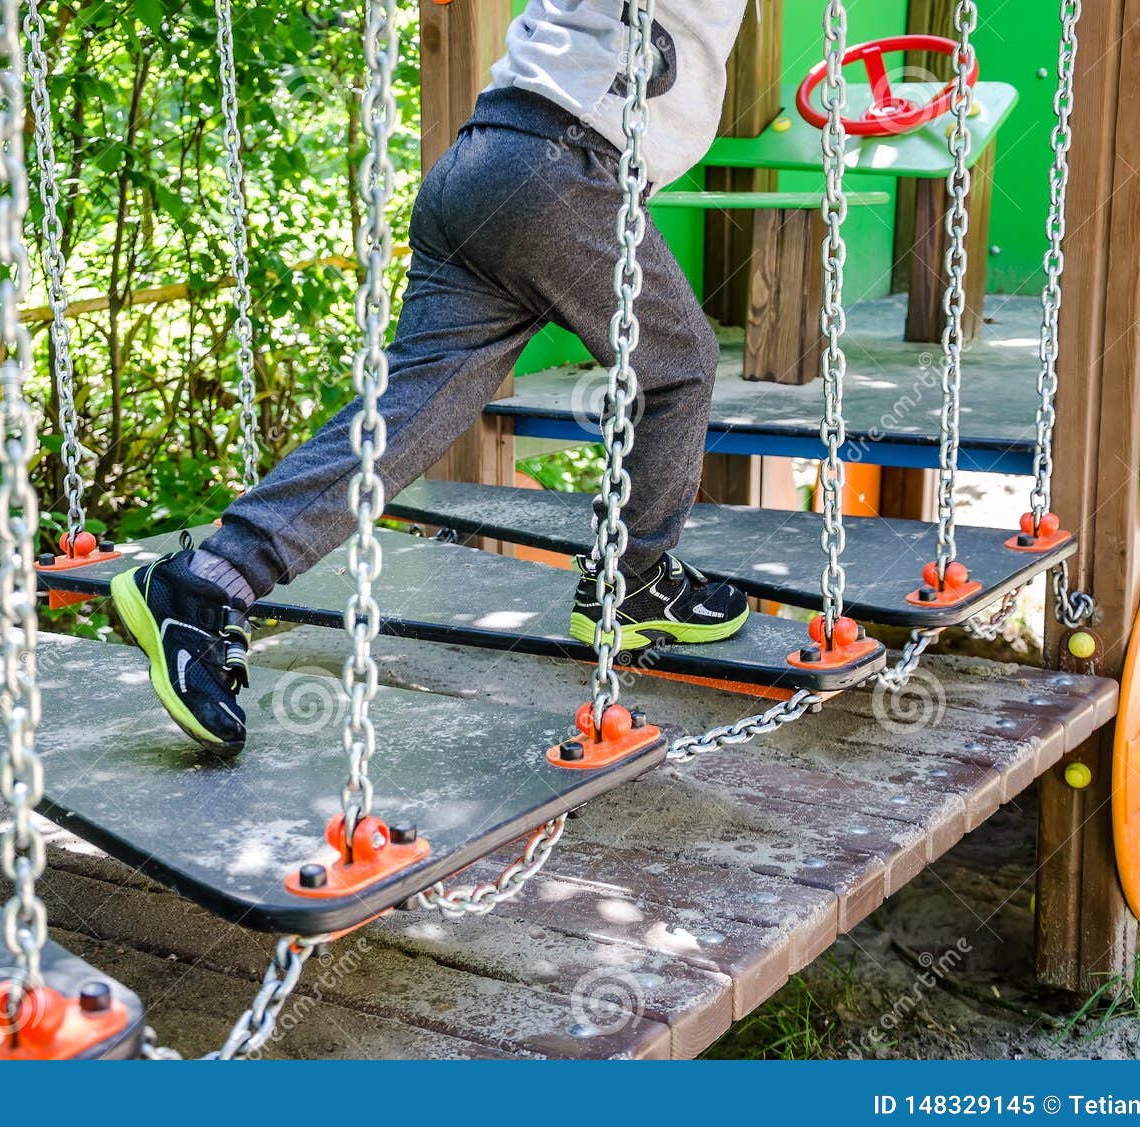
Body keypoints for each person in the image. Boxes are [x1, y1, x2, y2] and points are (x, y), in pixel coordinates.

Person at [112, 0, 754, 755]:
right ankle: (636, 581)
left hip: (484, 160)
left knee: (414, 407)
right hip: (571, 168)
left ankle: (208, 581)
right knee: (678, 369)